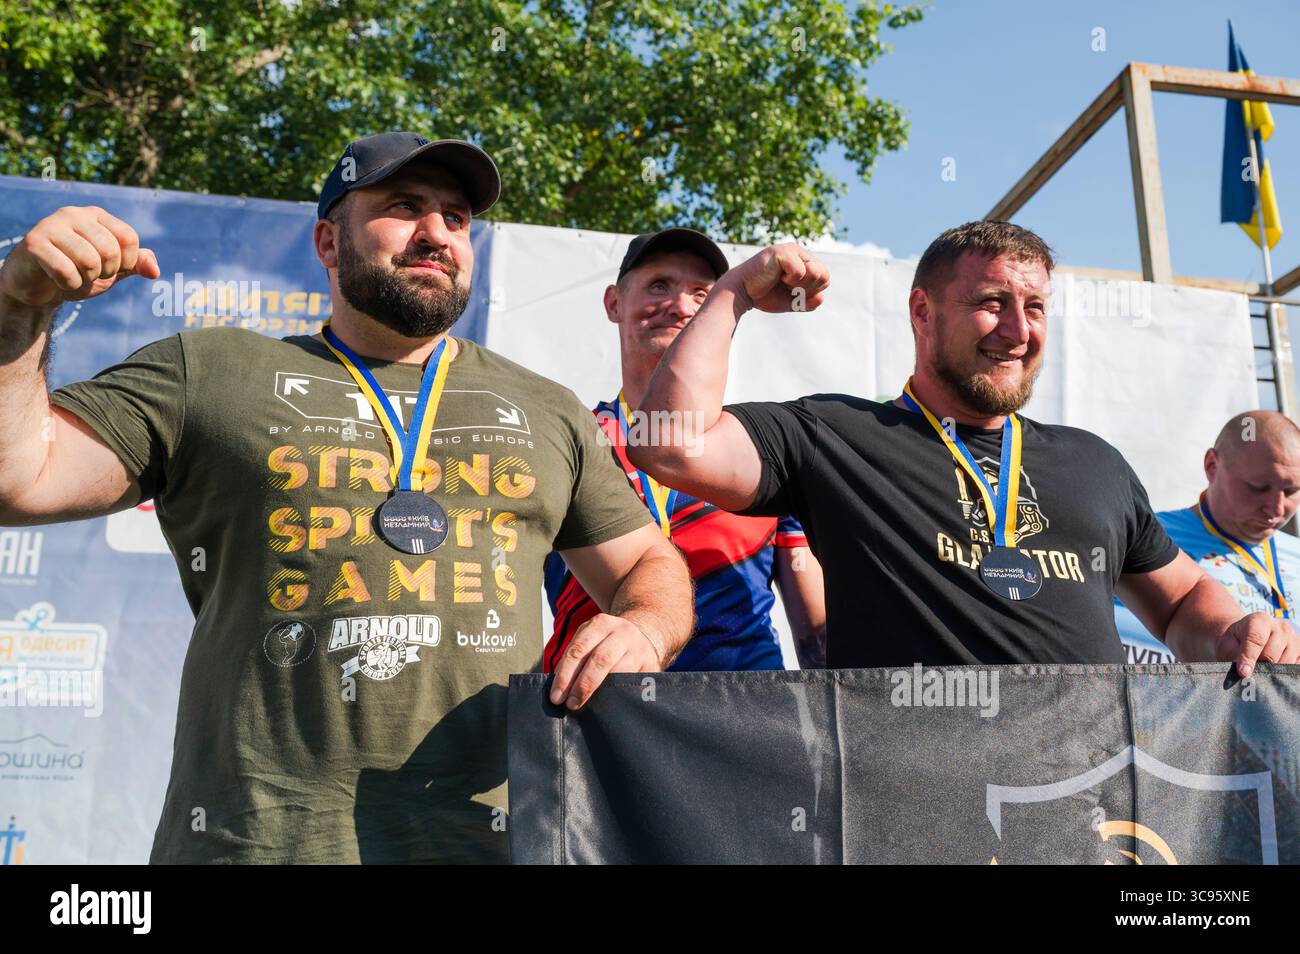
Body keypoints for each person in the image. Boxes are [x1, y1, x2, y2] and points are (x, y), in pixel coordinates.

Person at [0, 131, 693, 863]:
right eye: (403, 207)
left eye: (456, 218)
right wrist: (18, 309)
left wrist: (644, 628)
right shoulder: (211, 371)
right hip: (256, 847)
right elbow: (21, 478)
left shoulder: (545, 408)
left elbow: (649, 560)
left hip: (486, 848)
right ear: (328, 242)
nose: (436, 235)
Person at [626, 220, 1300, 674]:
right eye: (991, 301)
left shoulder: (1094, 462)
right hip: (913, 826)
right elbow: (672, 446)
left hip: (1090, 819)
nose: (1017, 329)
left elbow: (1181, 602)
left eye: (1034, 307)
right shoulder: (833, 436)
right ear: (923, 312)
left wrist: (1233, 630)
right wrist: (733, 292)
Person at [543, 229, 827, 671]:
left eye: (702, 294)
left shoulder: (763, 453)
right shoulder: (567, 440)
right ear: (614, 303)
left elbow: (816, 637)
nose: (680, 306)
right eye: (659, 285)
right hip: (594, 714)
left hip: (744, 718)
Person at [1117, 410, 1300, 663]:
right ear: (1212, 466)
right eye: (1259, 488)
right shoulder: (1145, 538)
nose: (1276, 509)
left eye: (1291, 490)